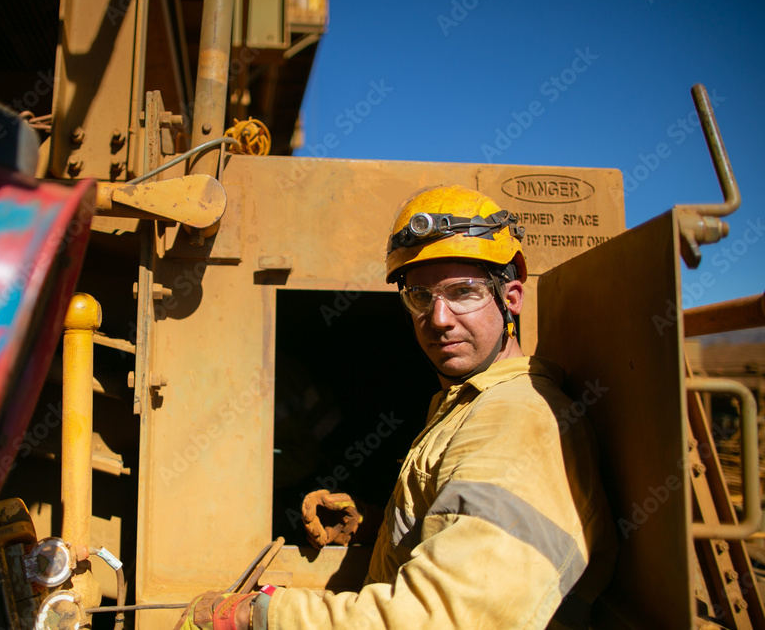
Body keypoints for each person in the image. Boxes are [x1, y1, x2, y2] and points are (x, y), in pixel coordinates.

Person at [174, 185, 617, 629]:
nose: (439, 318)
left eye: (463, 292)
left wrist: (262, 613)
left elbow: (442, 619)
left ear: (511, 298)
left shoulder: (518, 419)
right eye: (421, 297)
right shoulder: (469, 405)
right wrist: (377, 530)